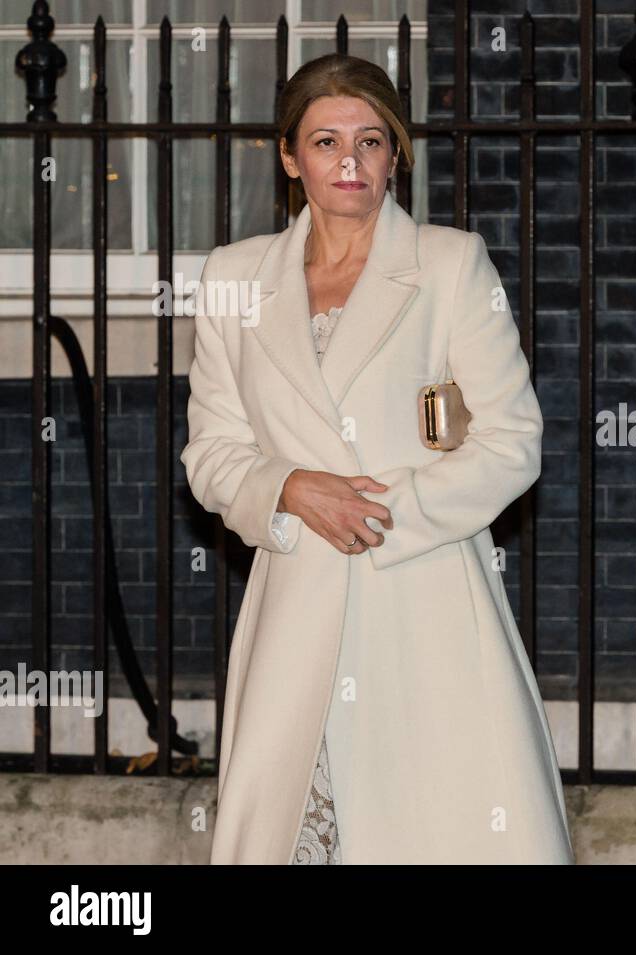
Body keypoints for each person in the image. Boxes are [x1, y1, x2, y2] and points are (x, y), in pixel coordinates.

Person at [181, 53, 573, 864]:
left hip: (425, 595)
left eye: (370, 140)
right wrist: (288, 487)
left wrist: (374, 508)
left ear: (397, 153)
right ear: (290, 157)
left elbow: (513, 441)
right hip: (297, 602)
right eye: (325, 142)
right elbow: (213, 453)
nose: (350, 162)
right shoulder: (232, 278)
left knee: (434, 828)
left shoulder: (450, 264)